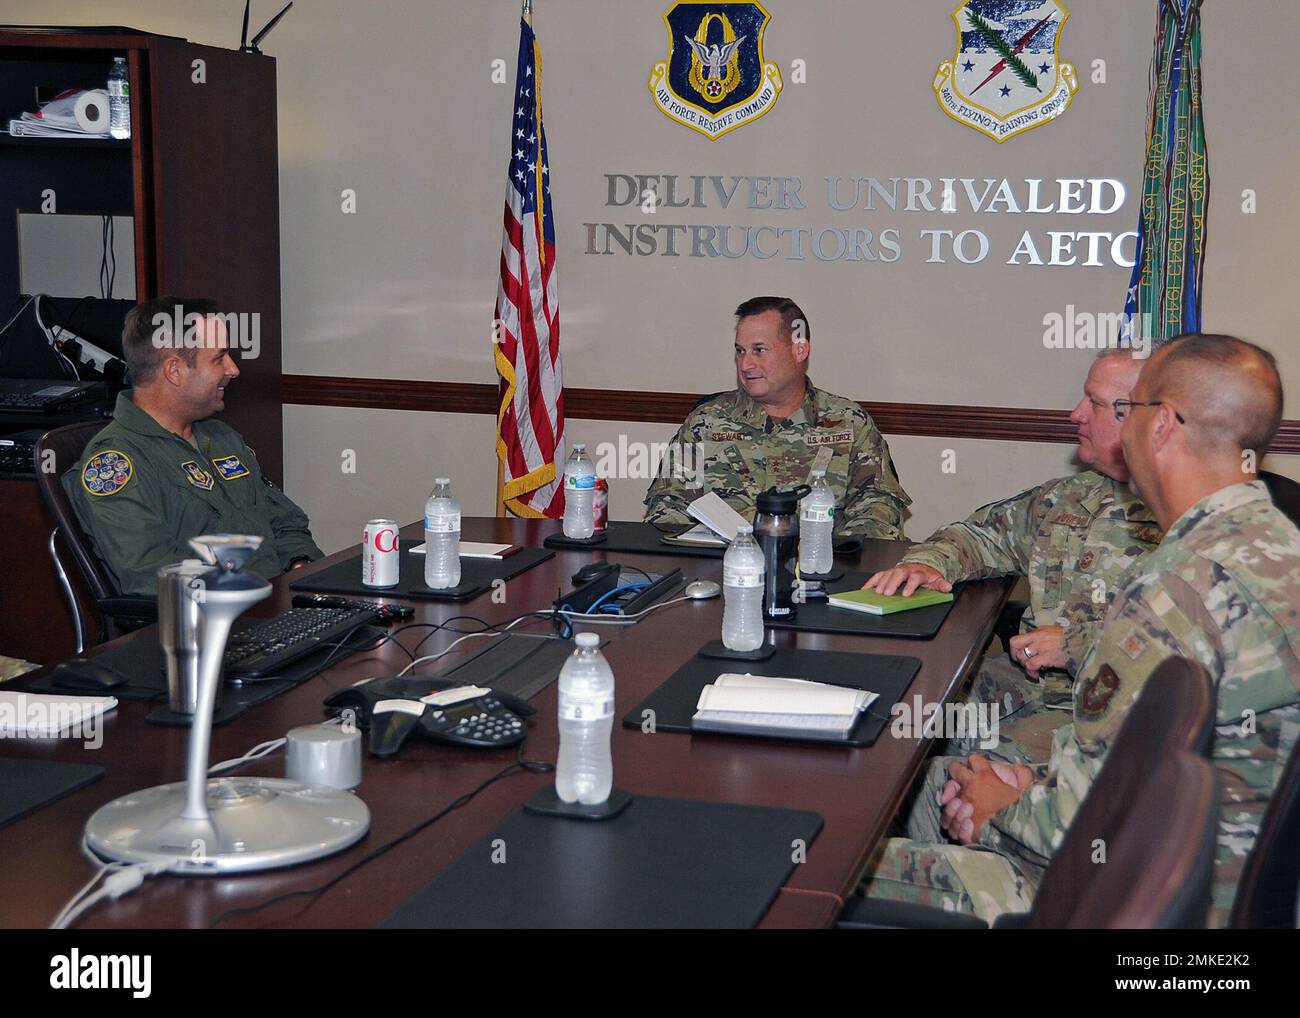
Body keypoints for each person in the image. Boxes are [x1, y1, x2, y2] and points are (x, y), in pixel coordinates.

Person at [859, 335, 1300, 927]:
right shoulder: (1275, 543)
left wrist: (1000, 806)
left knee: (809, 871)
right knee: (921, 781)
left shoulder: (1177, 591)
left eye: (1133, 407)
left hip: (1116, 900)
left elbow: (1084, 822)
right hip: (1185, 871)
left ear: (1162, 425)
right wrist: (1019, 789)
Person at [864, 349, 1161, 763]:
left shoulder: (1184, 520)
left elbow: (1190, 654)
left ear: (1140, 417)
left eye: (1093, 403)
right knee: (896, 716)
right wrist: (931, 562)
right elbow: (982, 534)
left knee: (949, 782)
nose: (1076, 414)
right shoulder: (1071, 497)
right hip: (1026, 684)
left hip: (1109, 721)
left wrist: (1078, 645)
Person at [64, 296, 323, 596]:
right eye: (219, 358)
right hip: (206, 629)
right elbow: (153, 576)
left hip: (274, 610)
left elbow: (285, 522)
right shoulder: (115, 463)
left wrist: (301, 568)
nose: (234, 369)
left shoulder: (222, 438)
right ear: (174, 370)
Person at [643, 296, 909, 538]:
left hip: (821, 574)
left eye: (759, 350)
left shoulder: (849, 423)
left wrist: (833, 549)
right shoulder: (706, 422)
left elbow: (879, 506)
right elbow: (667, 504)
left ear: (799, 350)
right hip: (726, 571)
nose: (745, 364)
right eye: (740, 351)